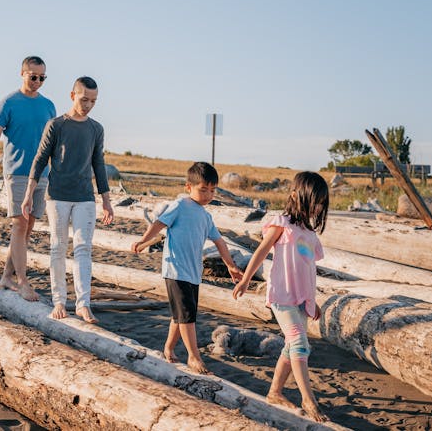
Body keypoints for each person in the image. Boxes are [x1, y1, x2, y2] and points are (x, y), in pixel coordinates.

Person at [232, 171, 330, 423]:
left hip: (301, 299)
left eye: (321, 202)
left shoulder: (309, 233)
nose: (318, 207)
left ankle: (274, 392)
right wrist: (245, 279)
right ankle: (309, 399)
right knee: (300, 344)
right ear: (296, 196)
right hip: (282, 296)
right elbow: (262, 251)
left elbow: (308, 269)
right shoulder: (282, 222)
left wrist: (312, 299)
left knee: (290, 346)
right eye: (314, 200)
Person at [131, 161, 243, 374]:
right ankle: (193, 356)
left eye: (212, 190)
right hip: (176, 270)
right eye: (203, 189)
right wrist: (142, 240)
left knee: (181, 314)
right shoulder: (180, 206)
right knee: (187, 316)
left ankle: (169, 348)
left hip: (193, 273)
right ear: (188, 187)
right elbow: (159, 224)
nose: (208, 194)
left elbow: (220, 242)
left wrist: (230, 265)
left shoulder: (206, 216)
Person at [23, 76, 114, 324]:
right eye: (84, 99)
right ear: (73, 95)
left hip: (85, 197)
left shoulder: (96, 129)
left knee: (83, 248)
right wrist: (29, 194)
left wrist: (106, 200)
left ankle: (83, 304)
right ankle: (59, 301)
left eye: (93, 101)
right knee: (58, 247)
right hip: (58, 196)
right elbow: (40, 159)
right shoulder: (56, 125)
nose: (88, 105)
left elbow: (99, 164)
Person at [0, 56, 56, 302]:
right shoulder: (8, 103)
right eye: (33, 76)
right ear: (22, 74)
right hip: (17, 173)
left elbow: (52, 144)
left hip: (42, 175)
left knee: (27, 230)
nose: (37, 81)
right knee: (19, 225)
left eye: (42, 78)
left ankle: (6, 276)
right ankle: (23, 282)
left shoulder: (48, 106)